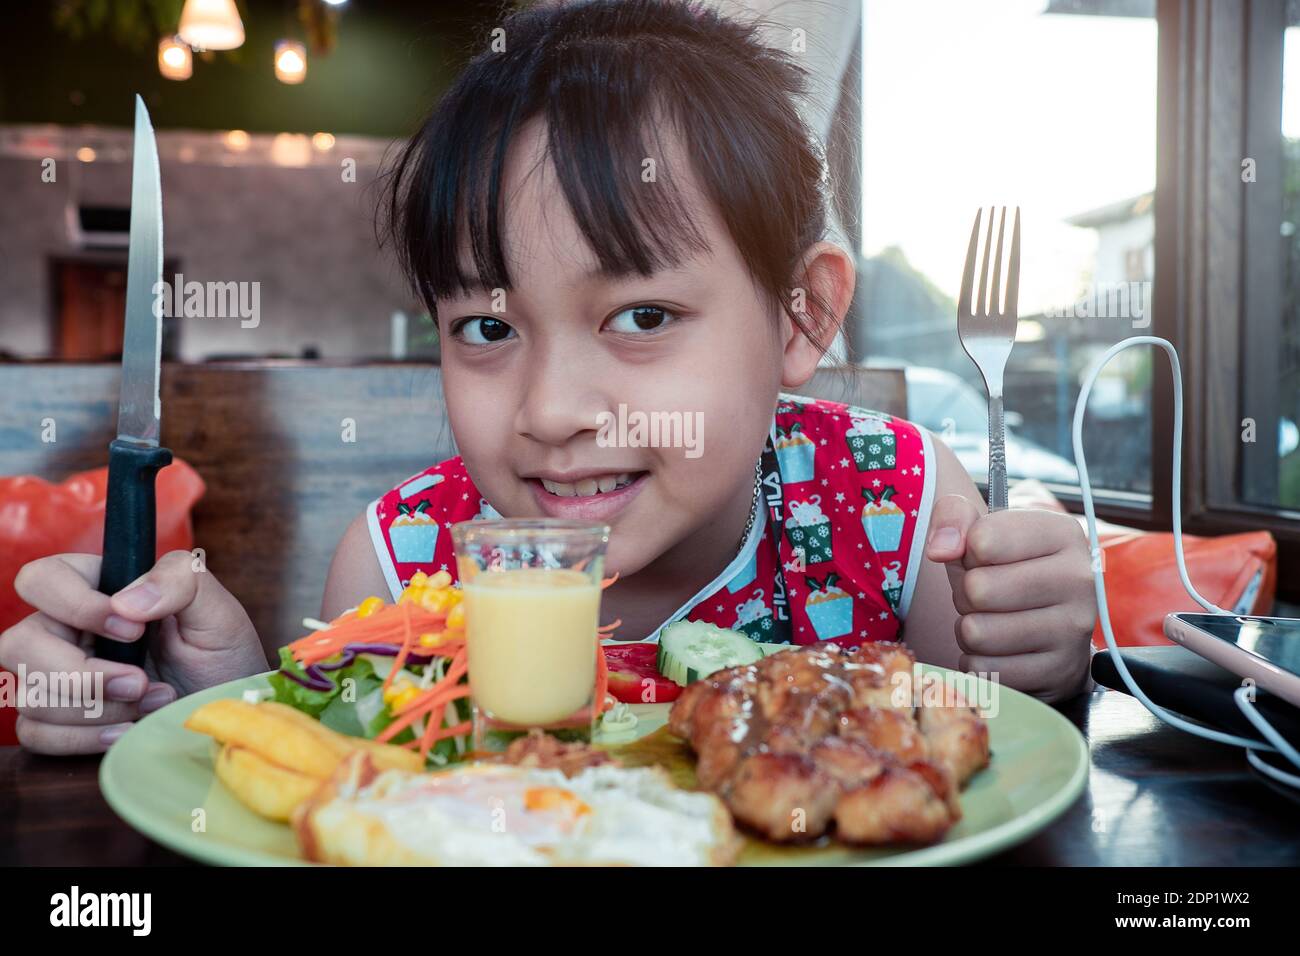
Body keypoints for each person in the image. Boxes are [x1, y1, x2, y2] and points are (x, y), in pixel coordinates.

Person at [0, 0, 1096, 755]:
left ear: (800, 313)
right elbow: (342, 782)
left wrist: (1038, 655)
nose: (553, 412)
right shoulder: (397, 565)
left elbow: (997, 752)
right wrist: (201, 690)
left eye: (642, 314)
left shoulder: (899, 501)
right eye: (485, 326)